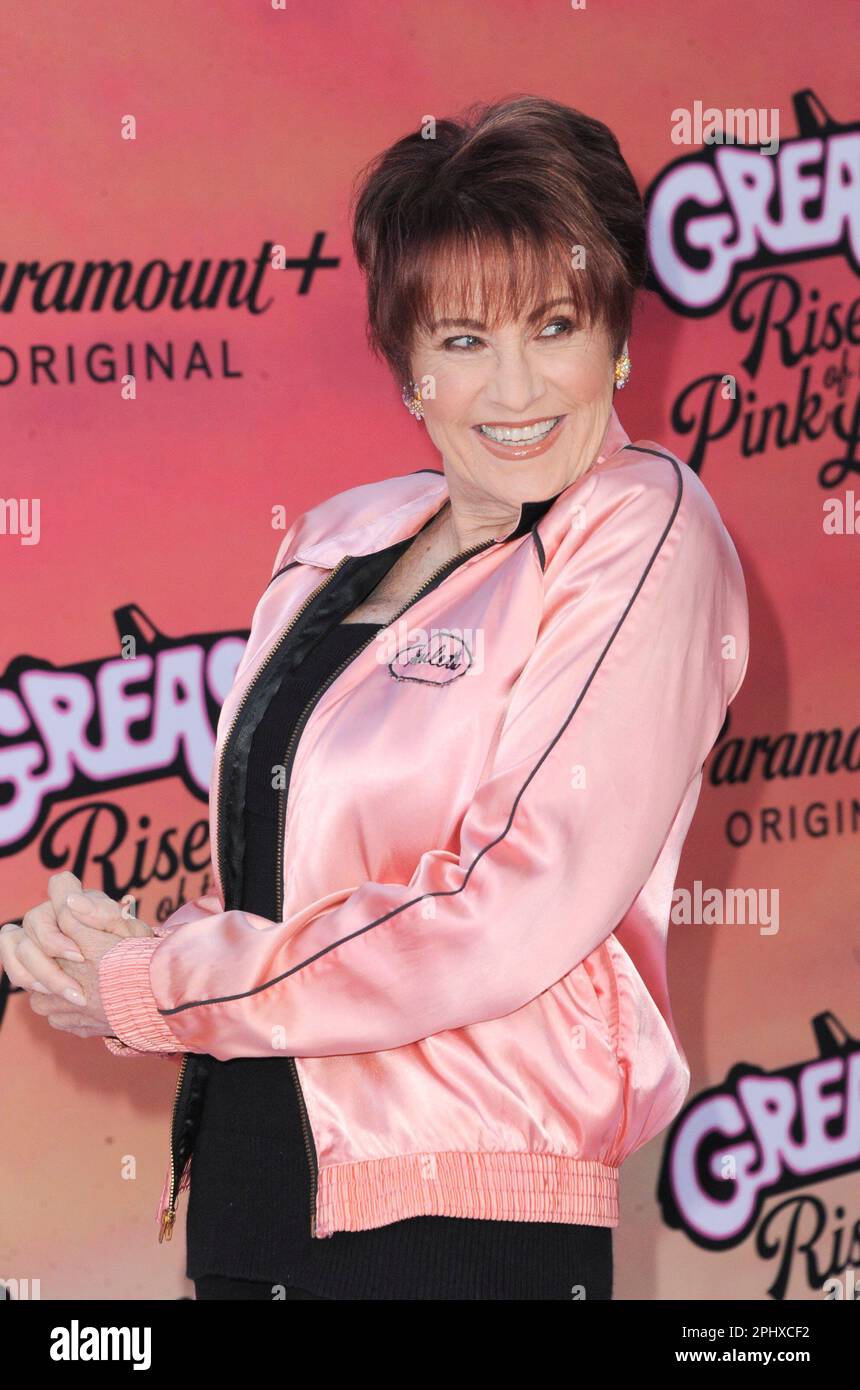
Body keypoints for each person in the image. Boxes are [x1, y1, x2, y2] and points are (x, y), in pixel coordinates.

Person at [2, 94, 749, 1301]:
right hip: (250, 1207)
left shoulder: (642, 527)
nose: (513, 388)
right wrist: (128, 964)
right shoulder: (339, 536)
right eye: (461, 339)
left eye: (551, 325)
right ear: (407, 365)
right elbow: (303, 898)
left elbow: (500, 906)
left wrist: (168, 984)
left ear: (615, 331)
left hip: (460, 1237)